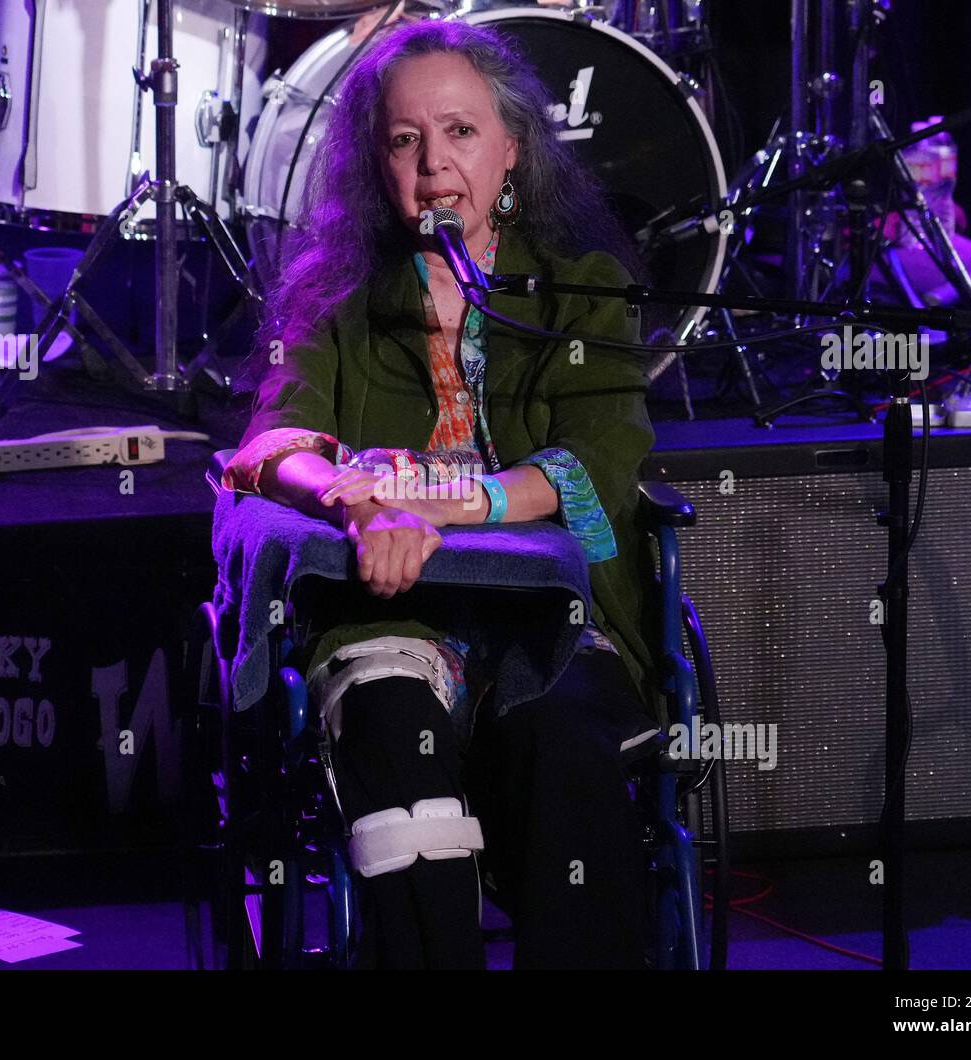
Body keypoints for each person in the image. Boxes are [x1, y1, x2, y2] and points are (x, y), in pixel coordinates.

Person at [222, 19, 666, 969]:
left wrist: (439, 508)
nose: (434, 166)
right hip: (384, 619)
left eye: (460, 133)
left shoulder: (582, 289)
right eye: (404, 139)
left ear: (511, 149)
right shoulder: (331, 294)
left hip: (558, 617)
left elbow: (597, 469)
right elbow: (272, 447)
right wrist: (357, 501)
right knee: (394, 744)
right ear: (375, 163)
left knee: (560, 742)